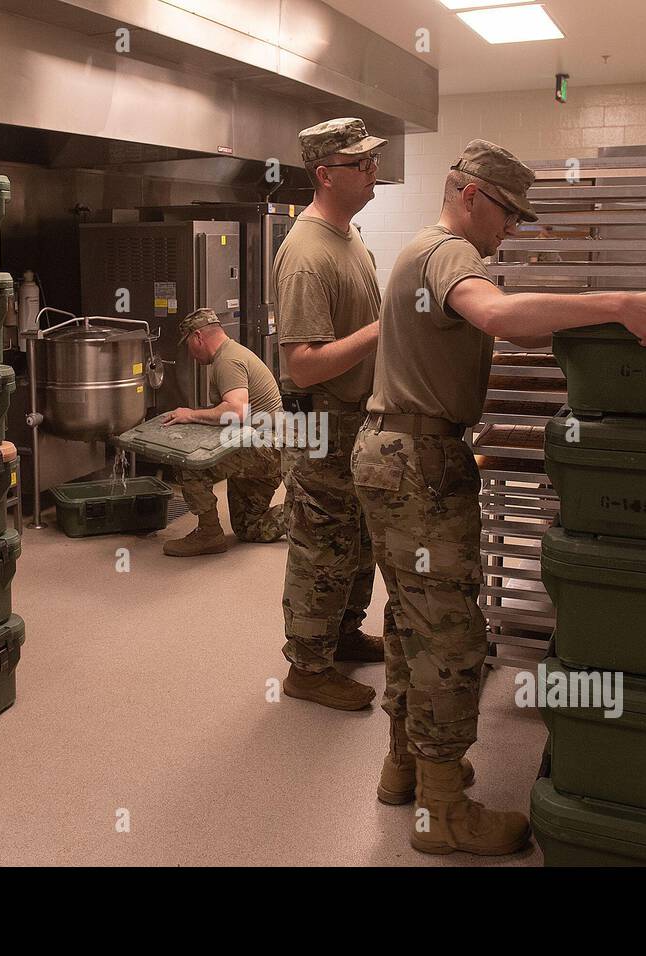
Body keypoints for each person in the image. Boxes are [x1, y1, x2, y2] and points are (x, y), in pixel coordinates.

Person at [353, 139, 646, 855]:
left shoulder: (422, 248)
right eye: (507, 213)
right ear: (468, 193)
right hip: (415, 459)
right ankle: (443, 810)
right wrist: (618, 304)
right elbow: (499, 317)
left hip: (391, 450)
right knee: (451, 633)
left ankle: (407, 769)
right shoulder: (450, 252)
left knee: (412, 622)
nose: (510, 229)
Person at [273, 117, 388, 712]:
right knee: (321, 542)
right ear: (324, 174)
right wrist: (381, 330)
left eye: (372, 162)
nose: (373, 174)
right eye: (361, 166)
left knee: (356, 537)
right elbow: (305, 366)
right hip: (321, 422)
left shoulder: (350, 235)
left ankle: (341, 634)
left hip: (355, 420)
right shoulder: (306, 253)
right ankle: (307, 667)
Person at [160, 308, 286, 556]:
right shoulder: (231, 353)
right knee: (249, 528)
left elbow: (236, 412)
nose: (190, 354)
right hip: (269, 449)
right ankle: (308, 516)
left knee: (189, 462)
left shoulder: (227, 361)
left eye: (188, 345)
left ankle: (209, 534)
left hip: (266, 451)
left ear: (198, 337)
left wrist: (191, 414)